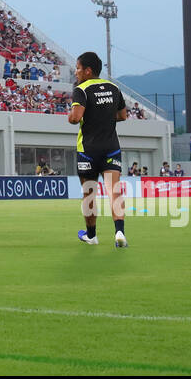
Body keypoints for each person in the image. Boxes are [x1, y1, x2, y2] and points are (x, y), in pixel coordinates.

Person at [68, 51, 128, 248]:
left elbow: (76, 118)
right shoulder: (114, 88)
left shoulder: (81, 89)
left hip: (88, 149)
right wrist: (105, 118)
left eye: (78, 68)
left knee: (89, 193)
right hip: (111, 147)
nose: (76, 72)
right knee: (114, 191)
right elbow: (122, 116)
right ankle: (119, 232)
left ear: (88, 70)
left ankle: (92, 235)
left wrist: (70, 117)